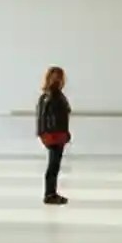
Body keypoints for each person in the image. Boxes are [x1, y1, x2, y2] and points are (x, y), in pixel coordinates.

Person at [35, 66, 70, 206]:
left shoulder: (57, 95)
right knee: (53, 166)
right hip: (53, 135)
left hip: (59, 134)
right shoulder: (49, 96)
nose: (58, 80)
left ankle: (52, 192)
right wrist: (43, 134)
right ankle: (49, 194)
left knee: (55, 165)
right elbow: (41, 117)